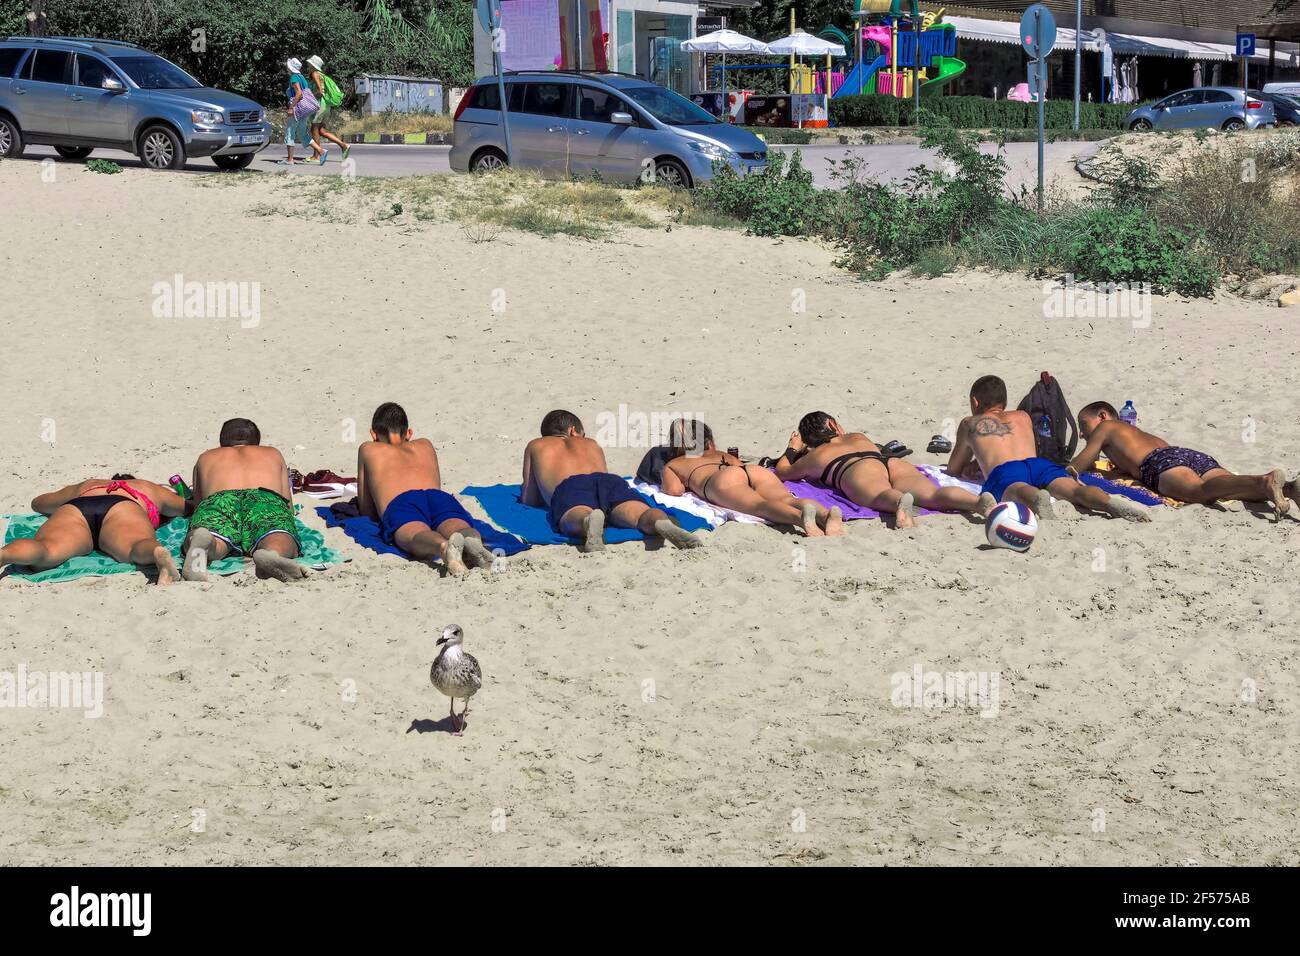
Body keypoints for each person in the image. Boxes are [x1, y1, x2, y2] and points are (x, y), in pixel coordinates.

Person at [947, 375, 1149, 522]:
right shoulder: (1023, 416)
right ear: (1005, 402)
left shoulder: (969, 423)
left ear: (975, 401)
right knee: (1074, 490)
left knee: (1016, 489)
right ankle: (1107, 502)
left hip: (1007, 470)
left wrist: (972, 464)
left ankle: (1035, 497)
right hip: (1039, 465)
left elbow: (954, 468)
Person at [521, 409, 702, 552]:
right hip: (608, 481)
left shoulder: (536, 445)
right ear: (573, 431)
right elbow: (600, 483)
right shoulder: (591, 443)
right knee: (638, 514)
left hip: (570, 486)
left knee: (574, 514)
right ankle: (659, 521)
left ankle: (587, 520)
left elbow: (530, 497)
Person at [776, 411, 992, 529]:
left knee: (881, 493)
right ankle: (977, 503)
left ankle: (899, 503)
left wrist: (792, 449)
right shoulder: (857, 436)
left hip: (852, 468)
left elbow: (783, 472)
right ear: (833, 425)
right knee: (933, 494)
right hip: (887, 461)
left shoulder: (816, 455)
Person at [1072, 400, 1297, 513]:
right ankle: (1289, 489)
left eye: (1084, 425)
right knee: (1231, 489)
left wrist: (1059, 471)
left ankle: (1265, 480)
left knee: (1198, 492)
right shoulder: (1134, 433)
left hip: (1158, 463)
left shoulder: (1106, 427)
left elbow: (1079, 465)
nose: (1082, 433)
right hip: (1184, 454)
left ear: (1102, 416)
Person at [356, 402, 497, 575]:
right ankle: (471, 539)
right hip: (438, 497)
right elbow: (436, 483)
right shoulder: (425, 445)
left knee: (416, 534)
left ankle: (443, 548)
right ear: (409, 433)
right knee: (454, 524)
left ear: (373, 433)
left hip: (402, 502)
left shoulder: (368, 449)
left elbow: (366, 508)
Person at [662, 418, 842, 536]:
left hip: (722, 480)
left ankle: (799, 518)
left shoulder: (675, 463)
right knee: (786, 498)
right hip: (751, 470)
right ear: (709, 441)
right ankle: (826, 515)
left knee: (760, 506)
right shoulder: (721, 453)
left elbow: (674, 491)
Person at [0, 475, 185, 584]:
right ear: (133, 480)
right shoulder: (146, 487)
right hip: (123, 508)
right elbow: (189, 507)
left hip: (78, 506)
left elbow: (38, 503)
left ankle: (6, 554)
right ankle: (154, 552)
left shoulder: (88, 484)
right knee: (135, 546)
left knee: (46, 548)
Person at [182, 418, 306, 582]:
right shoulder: (272, 453)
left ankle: (206, 542)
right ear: (257, 442)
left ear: (221, 442)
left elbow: (199, 504)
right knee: (277, 532)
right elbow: (288, 506)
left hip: (220, 499)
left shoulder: (206, 457)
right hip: (263, 497)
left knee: (213, 534)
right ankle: (271, 553)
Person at [304, 55, 349, 161]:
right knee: (321, 130)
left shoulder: (315, 74)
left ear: (312, 65)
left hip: (319, 105)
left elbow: (320, 91)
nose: (308, 65)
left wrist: (308, 97)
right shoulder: (321, 75)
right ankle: (343, 145)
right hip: (325, 106)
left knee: (313, 129)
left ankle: (317, 155)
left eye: (309, 64)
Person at [283, 58, 321, 165]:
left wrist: (291, 107)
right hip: (304, 110)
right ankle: (321, 151)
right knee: (302, 133)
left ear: (291, 68)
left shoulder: (294, 77)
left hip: (297, 109)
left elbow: (299, 93)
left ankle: (290, 160)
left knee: (290, 132)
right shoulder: (302, 78)